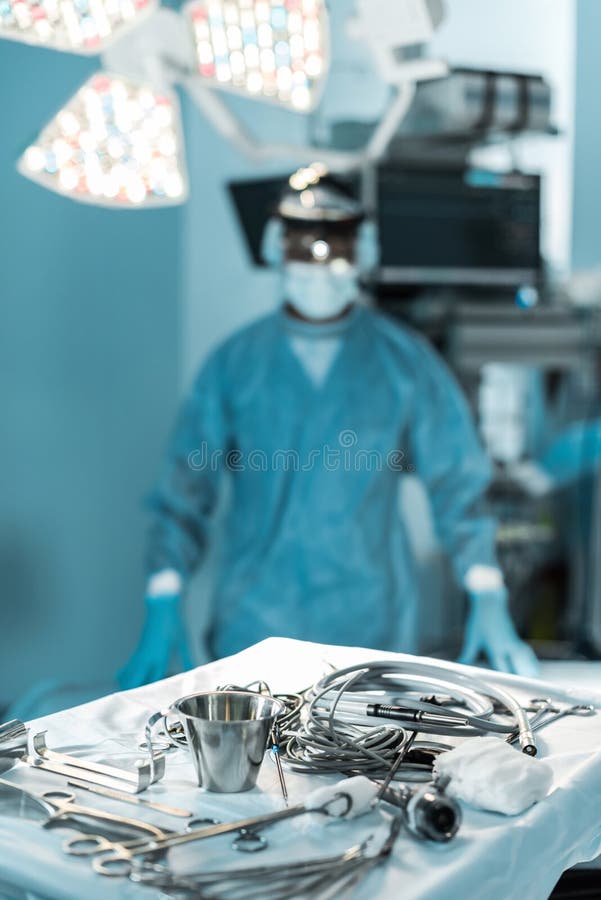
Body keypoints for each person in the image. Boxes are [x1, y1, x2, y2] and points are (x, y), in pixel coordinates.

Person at [118, 174, 538, 689]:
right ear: (276, 247)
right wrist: (164, 595)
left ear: (363, 251)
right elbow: (185, 491)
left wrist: (486, 589)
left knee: (369, 765)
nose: (319, 265)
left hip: (372, 631)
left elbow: (457, 483)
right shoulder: (235, 367)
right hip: (255, 631)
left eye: (336, 246)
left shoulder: (403, 363)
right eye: (303, 245)